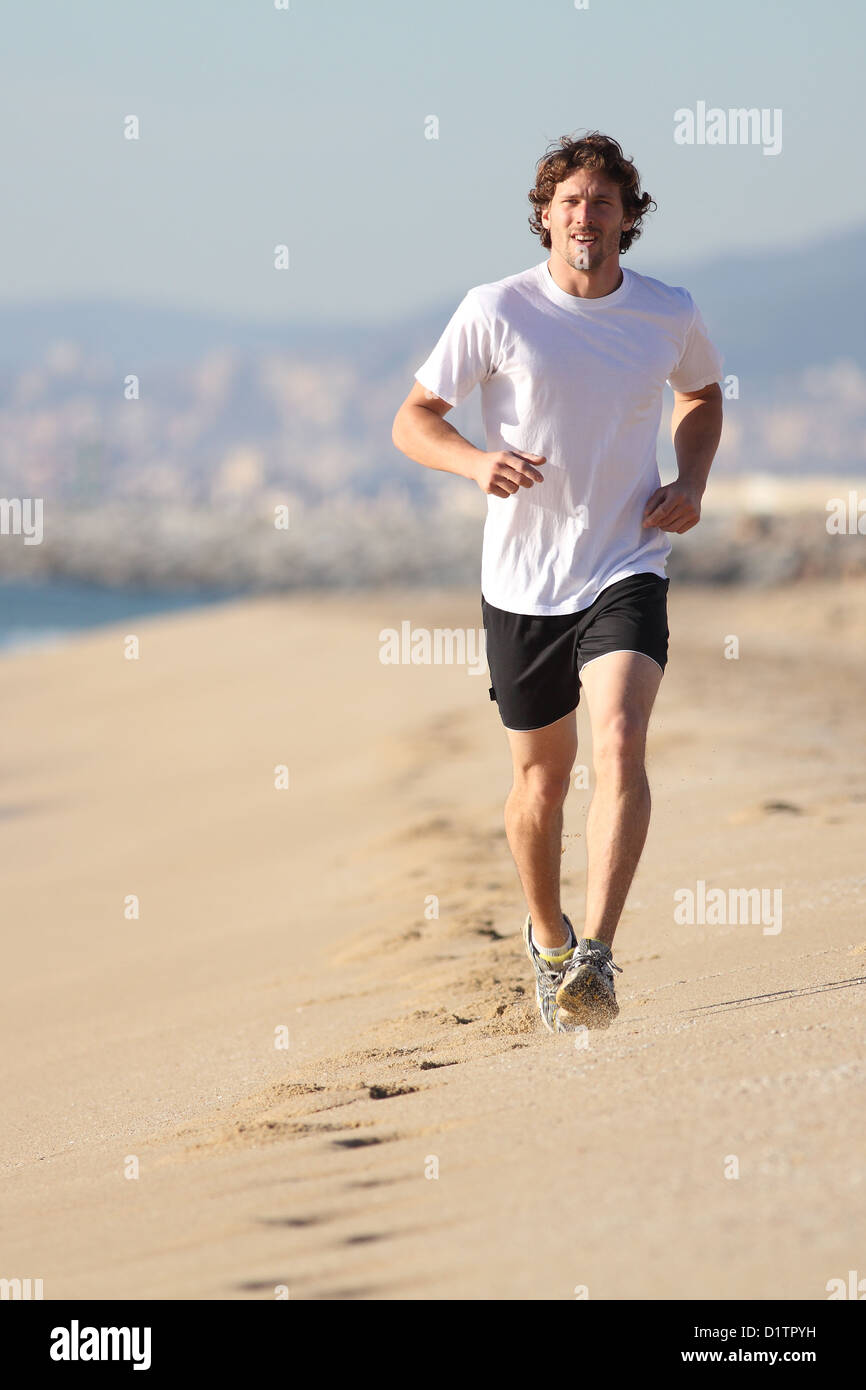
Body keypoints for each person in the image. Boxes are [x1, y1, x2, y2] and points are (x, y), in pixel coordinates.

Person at [391, 131, 723, 1032]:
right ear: (546, 215)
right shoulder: (496, 309)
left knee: (619, 738)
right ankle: (548, 939)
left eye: (603, 201)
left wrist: (688, 482)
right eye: (571, 201)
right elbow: (413, 419)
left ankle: (599, 957)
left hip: (627, 559)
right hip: (522, 584)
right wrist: (474, 464)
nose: (586, 215)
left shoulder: (667, 311)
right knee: (541, 782)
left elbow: (701, 394)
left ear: (628, 218)